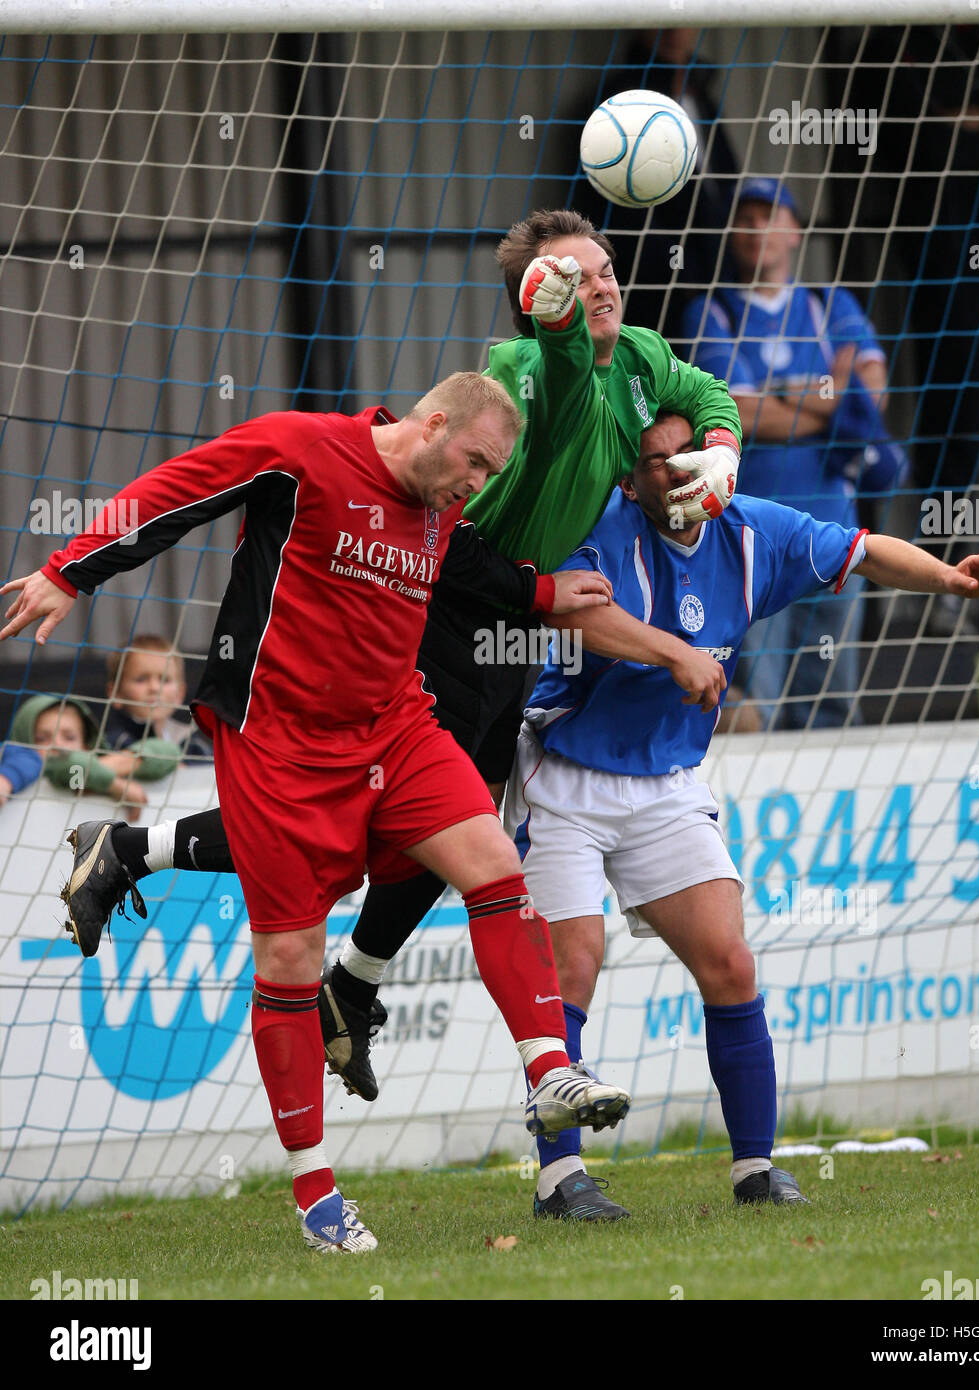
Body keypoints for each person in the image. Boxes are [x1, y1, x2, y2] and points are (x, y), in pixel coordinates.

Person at [40, 209, 742, 1145]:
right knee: (405, 826)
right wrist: (535, 588)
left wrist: (723, 448)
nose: (601, 285)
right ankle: (333, 985)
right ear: (541, 306)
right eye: (573, 279)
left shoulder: (645, 356)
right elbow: (480, 495)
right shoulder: (523, 377)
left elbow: (709, 392)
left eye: (607, 268)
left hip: (514, 619)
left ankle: (193, 889)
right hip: (456, 599)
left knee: (447, 827)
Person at [0, 373, 636, 1255]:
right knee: (291, 960)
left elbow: (460, 563)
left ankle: (548, 1072)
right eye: (477, 464)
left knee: (495, 865)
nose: (476, 485)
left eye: (490, 476)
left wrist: (536, 597)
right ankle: (314, 1191)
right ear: (434, 422)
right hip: (277, 744)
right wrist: (71, 570)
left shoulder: (439, 507)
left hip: (394, 727)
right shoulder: (301, 450)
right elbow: (176, 491)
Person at [505, 411, 979, 1219]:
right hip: (567, 776)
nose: (673, 471)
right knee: (574, 965)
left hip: (666, 781)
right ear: (628, 482)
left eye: (686, 455)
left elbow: (863, 550)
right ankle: (560, 1180)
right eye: (654, 463)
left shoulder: (751, 532)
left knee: (731, 964)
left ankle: (755, 1171)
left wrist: (949, 577)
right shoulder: (600, 529)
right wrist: (675, 652)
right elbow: (573, 612)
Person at [846, 24, 979, 631]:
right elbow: (909, 136)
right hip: (953, 261)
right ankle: (942, 583)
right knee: (961, 426)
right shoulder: (898, 44)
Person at [683, 177, 906, 730]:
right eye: (747, 219)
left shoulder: (830, 305)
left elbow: (871, 396)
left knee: (830, 698)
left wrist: (779, 395)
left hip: (833, 526)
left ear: (795, 230)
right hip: (746, 534)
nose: (758, 229)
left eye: (770, 216)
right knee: (750, 702)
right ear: (733, 235)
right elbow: (734, 410)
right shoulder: (712, 313)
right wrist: (825, 394)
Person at [563, 28, 739, 337]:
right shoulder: (619, 105)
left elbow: (726, 183)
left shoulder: (701, 96)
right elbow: (608, 209)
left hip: (717, 279)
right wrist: (677, 272)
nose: (672, 30)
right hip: (653, 289)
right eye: (659, 19)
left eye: (681, 18)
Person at [11, 692, 180, 819]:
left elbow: (170, 752)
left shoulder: (82, 771)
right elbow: (69, 770)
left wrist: (96, 770)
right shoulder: (10, 774)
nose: (57, 746)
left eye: (69, 737)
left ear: (87, 745)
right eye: (42, 739)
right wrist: (115, 785)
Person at [105, 634, 213, 761]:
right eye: (141, 679)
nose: (154, 688)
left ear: (180, 694)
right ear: (115, 692)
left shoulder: (195, 746)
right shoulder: (111, 745)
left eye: (165, 680)